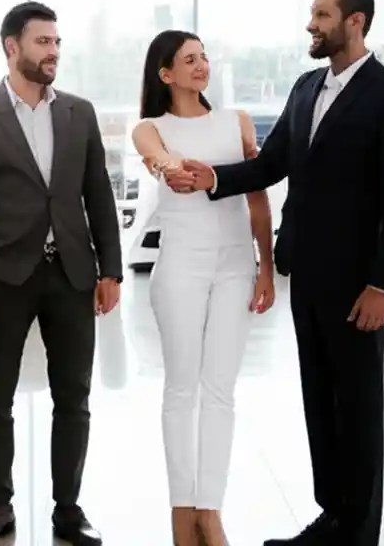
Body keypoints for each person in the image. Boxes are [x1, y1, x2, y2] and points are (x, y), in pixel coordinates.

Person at [166, 0, 384, 546]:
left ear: (355, 21)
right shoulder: (307, 87)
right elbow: (272, 163)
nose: (312, 24)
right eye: (312, 13)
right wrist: (214, 179)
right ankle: (332, 516)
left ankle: (358, 531)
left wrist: (383, 285)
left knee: (357, 409)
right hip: (306, 276)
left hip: (359, 286)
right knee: (321, 405)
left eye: (322, 15)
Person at [0, 1, 122, 546]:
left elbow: (98, 194)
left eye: (58, 43)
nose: (54, 53)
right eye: (44, 42)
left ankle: (68, 509)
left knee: (75, 397)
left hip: (71, 273)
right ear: (11, 47)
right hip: (4, 276)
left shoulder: (79, 113)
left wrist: (110, 269)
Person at [129, 30, 276, 546]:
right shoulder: (150, 127)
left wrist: (265, 265)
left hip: (236, 264)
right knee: (181, 389)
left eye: (204, 56)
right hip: (181, 269)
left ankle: (210, 510)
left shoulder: (234, 122)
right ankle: (181, 509)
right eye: (189, 60)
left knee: (220, 391)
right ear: (165, 74)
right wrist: (173, 168)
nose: (201, 65)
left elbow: (256, 192)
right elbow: (155, 157)